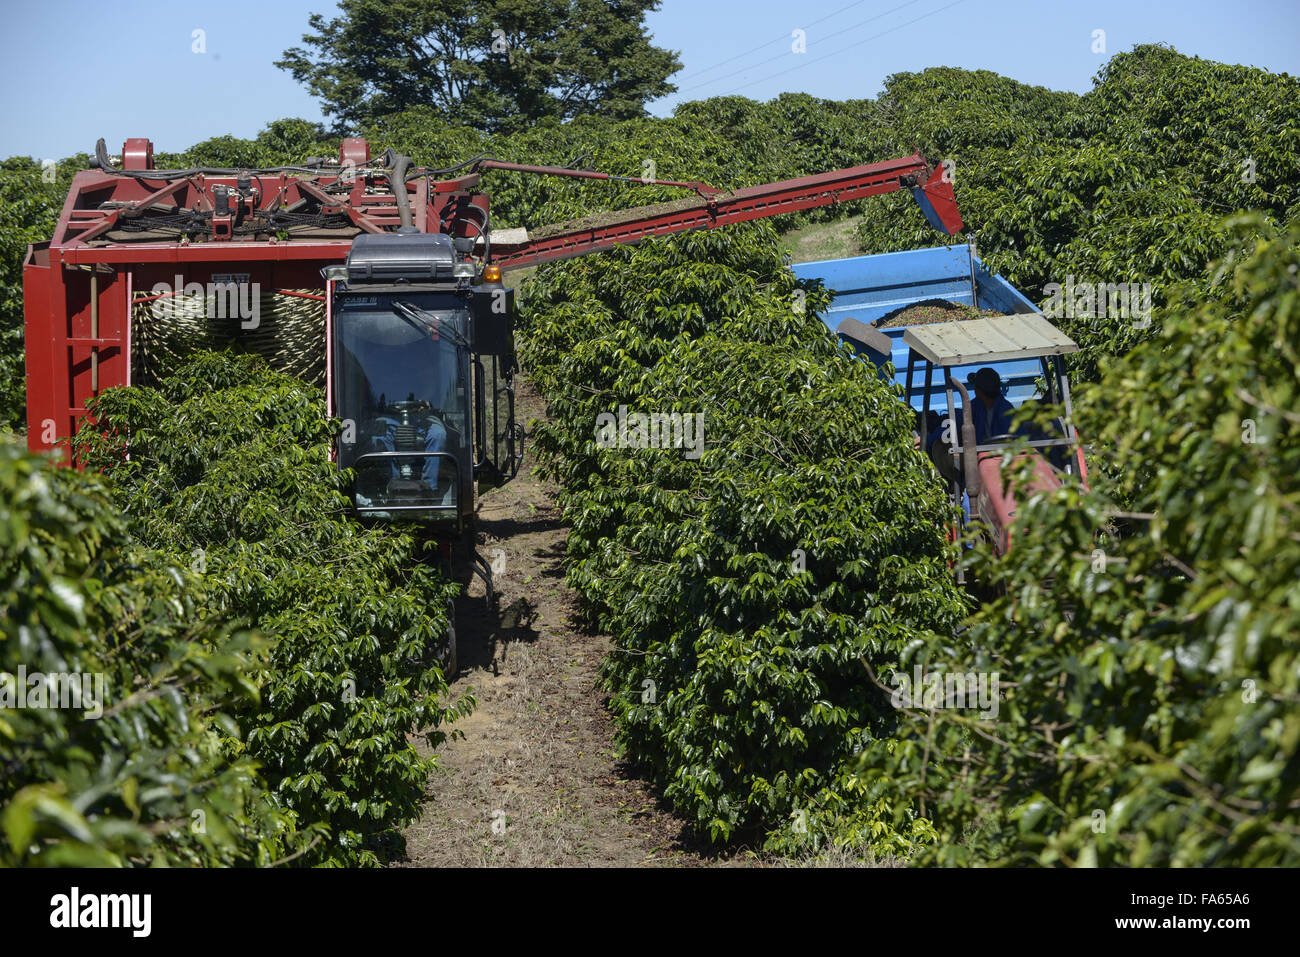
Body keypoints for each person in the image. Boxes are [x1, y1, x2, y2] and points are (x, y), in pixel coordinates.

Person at [966, 367, 1016, 445]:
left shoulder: (1006, 410)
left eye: (976, 386)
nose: (974, 389)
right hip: (982, 453)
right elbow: (959, 420)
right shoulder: (975, 406)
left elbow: (1015, 439)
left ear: (980, 390)